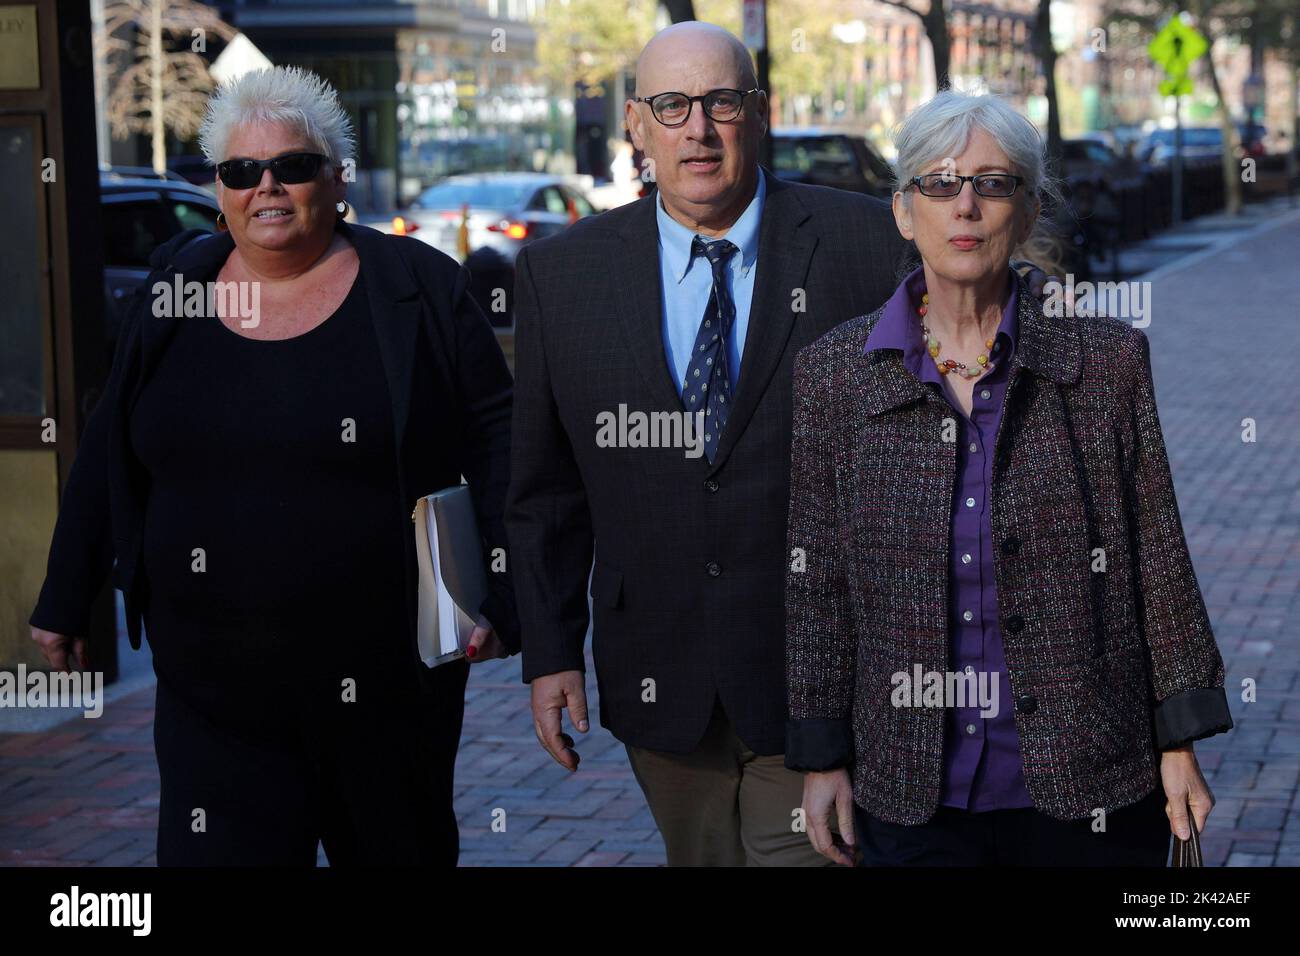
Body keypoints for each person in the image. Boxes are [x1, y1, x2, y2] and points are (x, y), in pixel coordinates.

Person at [29, 66, 519, 866]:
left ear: (336, 179)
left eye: (292, 166)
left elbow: (500, 440)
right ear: (219, 189)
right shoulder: (176, 291)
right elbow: (112, 443)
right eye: (240, 171)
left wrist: (502, 595)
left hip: (386, 686)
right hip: (210, 694)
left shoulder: (415, 288)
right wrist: (65, 593)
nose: (268, 187)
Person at [785, 91, 1233, 866]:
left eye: (993, 184)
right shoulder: (835, 375)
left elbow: (1155, 559)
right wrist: (823, 755)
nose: (965, 205)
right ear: (902, 210)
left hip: (1088, 782)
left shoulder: (1105, 363)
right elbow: (817, 584)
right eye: (939, 183)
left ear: (1025, 212)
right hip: (908, 789)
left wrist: (1180, 738)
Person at [505, 21, 915, 866]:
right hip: (657, 672)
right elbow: (544, 490)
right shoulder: (562, 276)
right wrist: (549, 653)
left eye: (721, 101)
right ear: (636, 124)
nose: (698, 127)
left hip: (821, 672)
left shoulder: (869, 245)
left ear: (758, 114)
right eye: (672, 105)